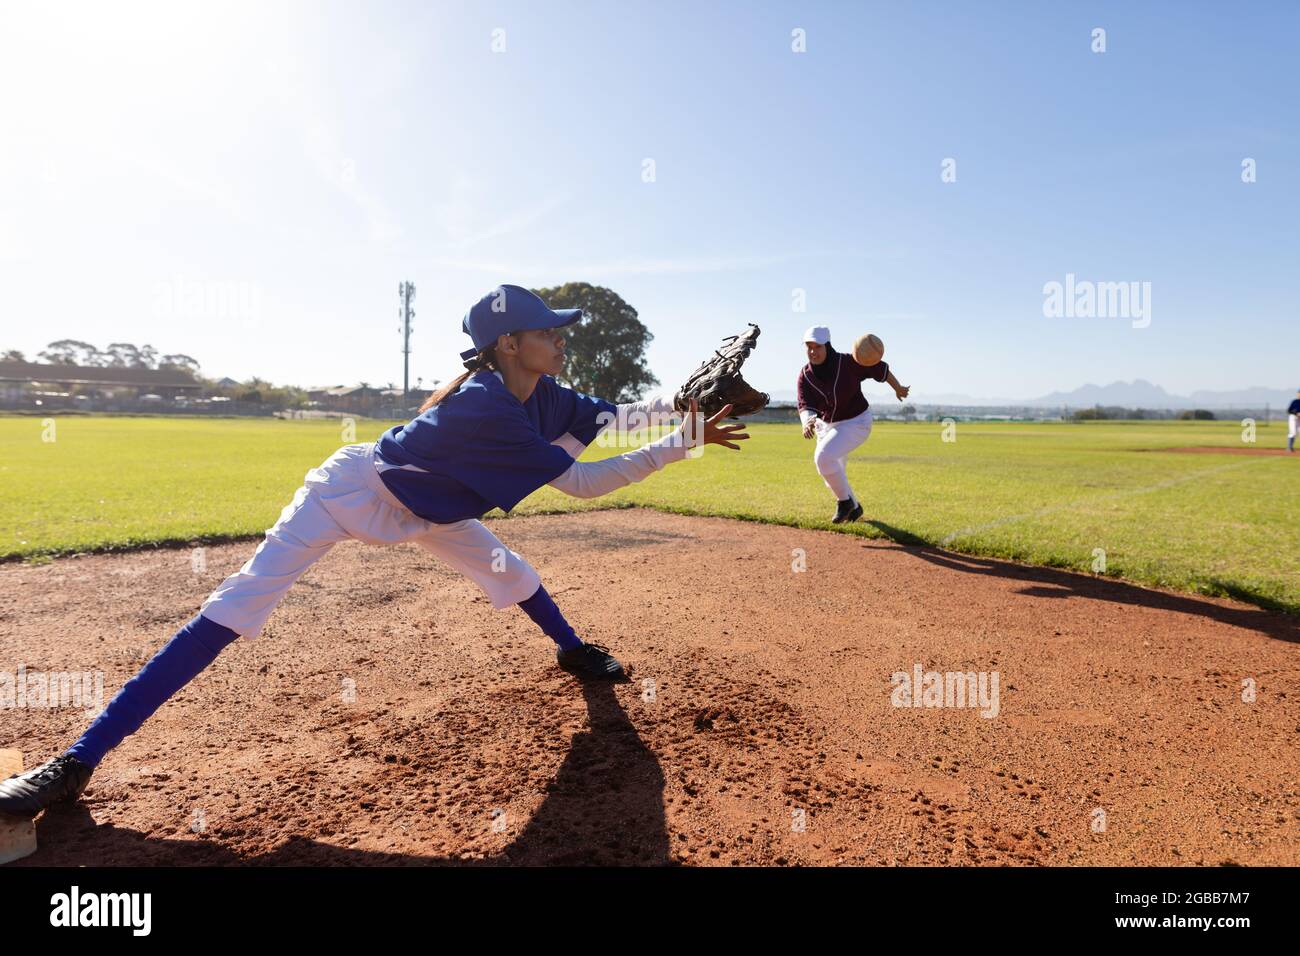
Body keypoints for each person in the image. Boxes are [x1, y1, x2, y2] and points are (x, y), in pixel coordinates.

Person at [0, 284, 748, 818]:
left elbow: (618, 418)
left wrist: (679, 408)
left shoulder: (548, 395)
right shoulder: (486, 404)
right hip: (350, 492)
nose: (562, 338)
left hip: (433, 511)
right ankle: (77, 760)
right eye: (548, 330)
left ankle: (572, 649)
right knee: (235, 607)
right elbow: (584, 483)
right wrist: (682, 442)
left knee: (512, 572)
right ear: (509, 344)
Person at [795, 325, 909, 523]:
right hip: (826, 426)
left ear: (828, 346)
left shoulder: (848, 363)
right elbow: (805, 404)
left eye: (818, 347)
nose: (813, 351)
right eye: (809, 347)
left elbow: (880, 369)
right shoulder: (805, 376)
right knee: (832, 475)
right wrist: (807, 422)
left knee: (823, 459)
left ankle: (844, 503)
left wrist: (898, 388)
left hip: (856, 422)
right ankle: (854, 507)